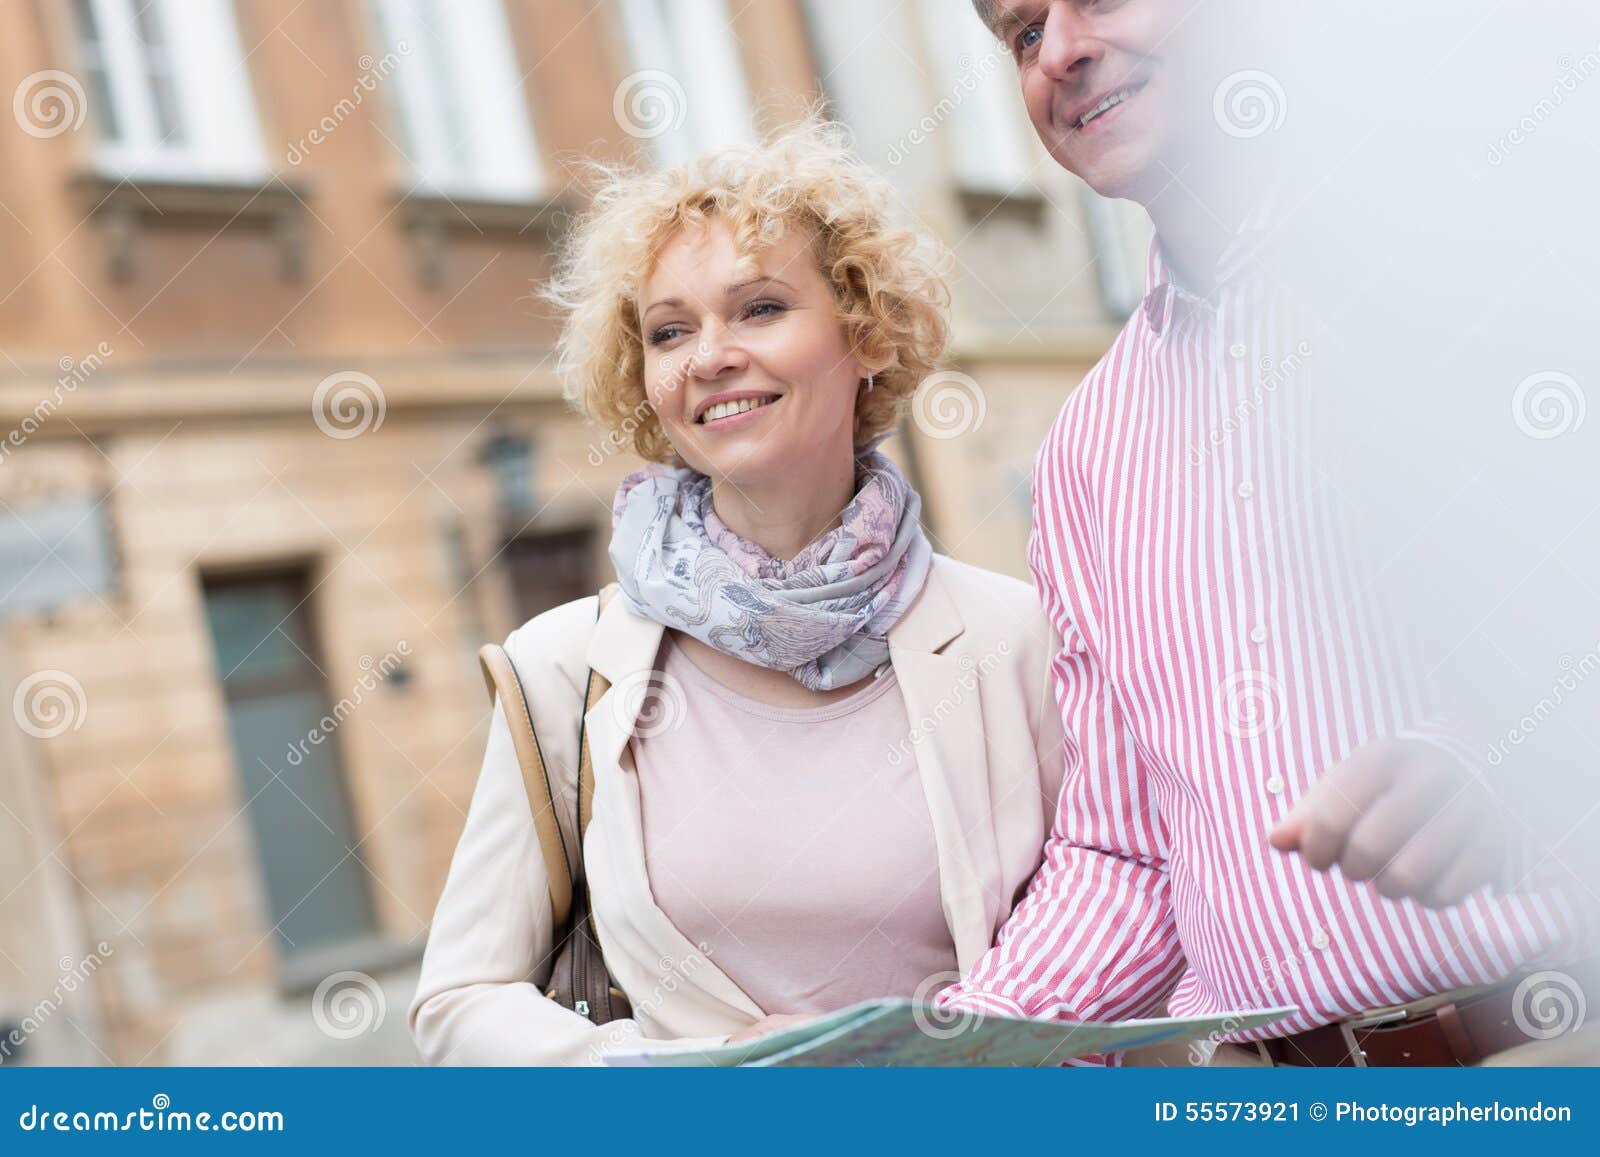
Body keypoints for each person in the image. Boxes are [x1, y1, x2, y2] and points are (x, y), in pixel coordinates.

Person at [940, 0, 1587, 1065]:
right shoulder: (1086, 454)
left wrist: (1512, 769)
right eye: (1020, 32)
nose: (1059, 50)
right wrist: (943, 1053)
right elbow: (1125, 853)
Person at [408, 120, 1065, 1065]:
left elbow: (1109, 946)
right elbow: (458, 1001)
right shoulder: (566, 665)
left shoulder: (1015, 638)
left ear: (866, 332)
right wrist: (686, 1080)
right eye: (670, 330)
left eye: (758, 309)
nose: (709, 355)